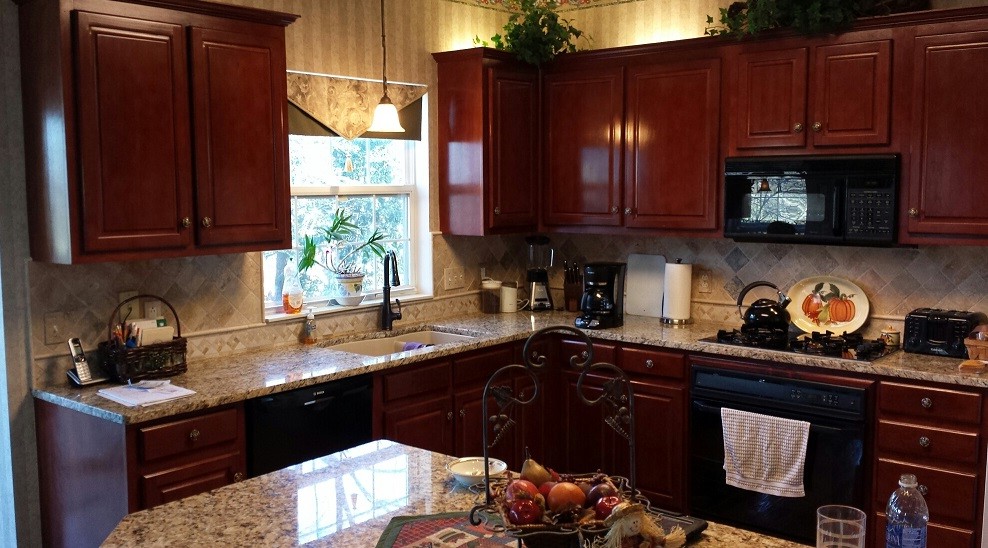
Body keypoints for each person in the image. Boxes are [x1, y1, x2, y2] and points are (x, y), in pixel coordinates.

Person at [596, 502, 686, 548]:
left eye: (636, 519)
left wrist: (662, 541)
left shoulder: (643, 535)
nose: (635, 523)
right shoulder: (623, 543)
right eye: (630, 520)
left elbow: (654, 540)